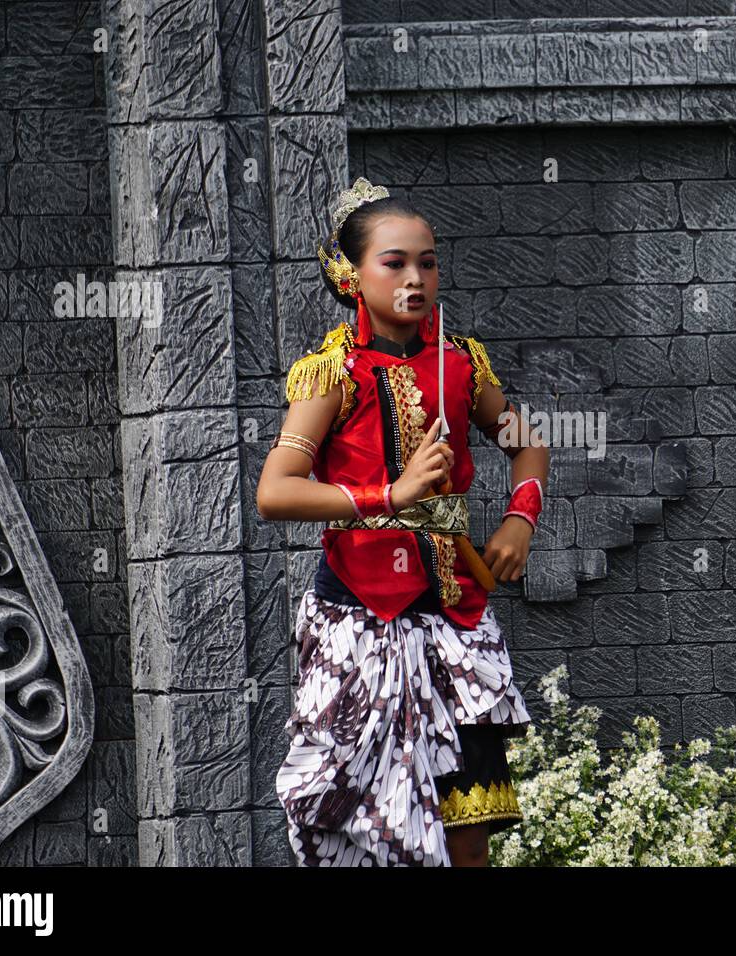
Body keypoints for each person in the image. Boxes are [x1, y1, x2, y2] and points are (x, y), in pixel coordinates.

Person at [256, 176, 550, 867]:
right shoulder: (332, 373)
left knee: (467, 824)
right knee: (365, 825)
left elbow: (528, 444)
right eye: (394, 263)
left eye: (428, 261)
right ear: (351, 275)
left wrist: (519, 520)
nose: (415, 278)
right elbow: (275, 492)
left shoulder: (462, 365)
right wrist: (392, 493)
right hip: (359, 623)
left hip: (452, 623)